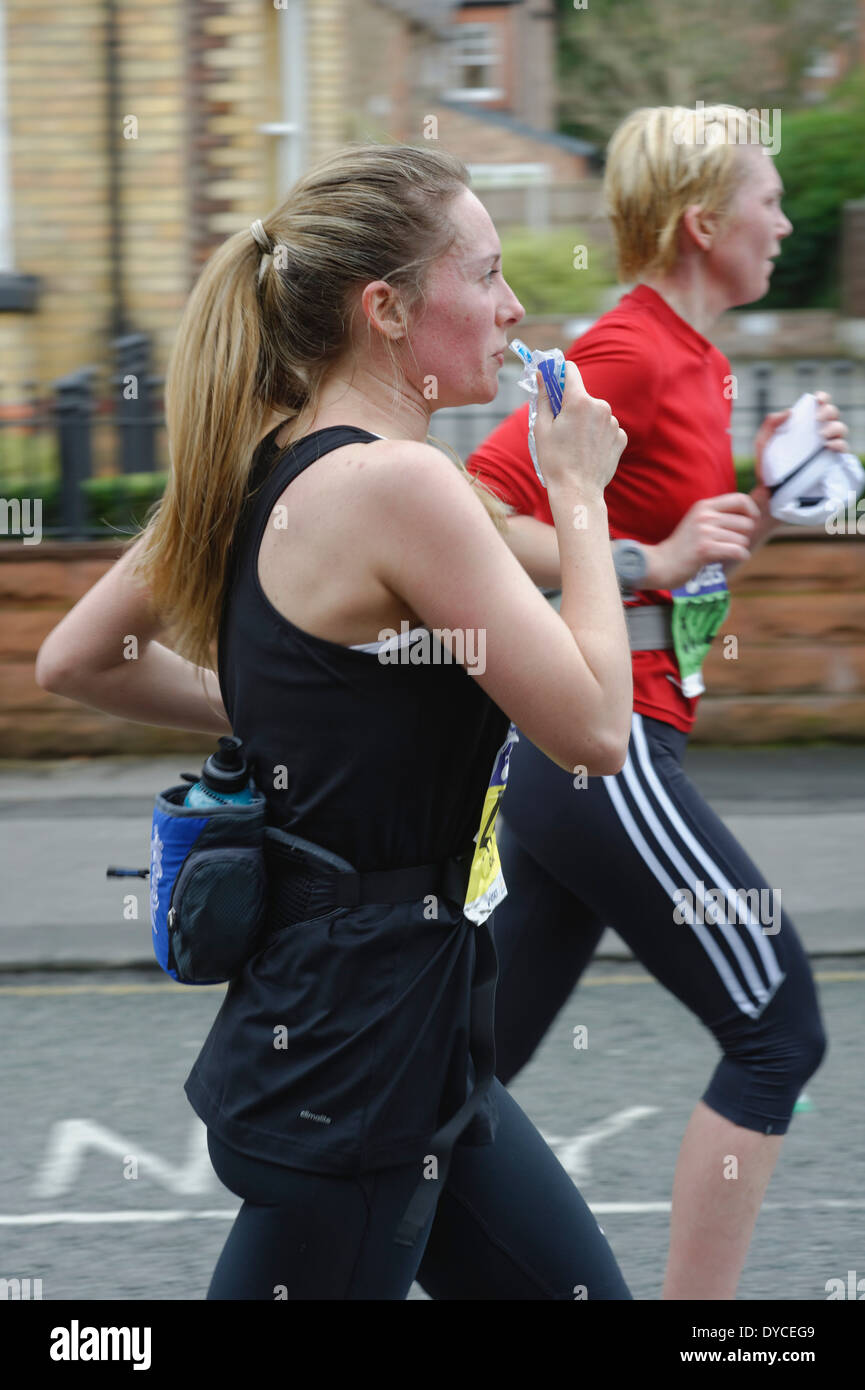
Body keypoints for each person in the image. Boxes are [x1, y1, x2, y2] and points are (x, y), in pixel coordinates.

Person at [35, 143, 636, 1300]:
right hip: (358, 1055)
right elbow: (596, 728)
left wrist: (276, 715)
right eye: (489, 273)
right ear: (388, 308)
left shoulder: (263, 460)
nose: (514, 308)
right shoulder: (400, 489)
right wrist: (577, 493)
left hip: (392, 1020)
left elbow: (81, 657)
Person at [466, 104, 851, 1301]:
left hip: (581, 756)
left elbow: (675, 549)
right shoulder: (626, 351)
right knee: (779, 1028)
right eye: (767, 199)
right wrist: (653, 560)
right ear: (702, 223)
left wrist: (767, 504)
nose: (786, 221)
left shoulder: (701, 357)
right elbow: (472, 512)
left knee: (456, 1074)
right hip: (602, 745)